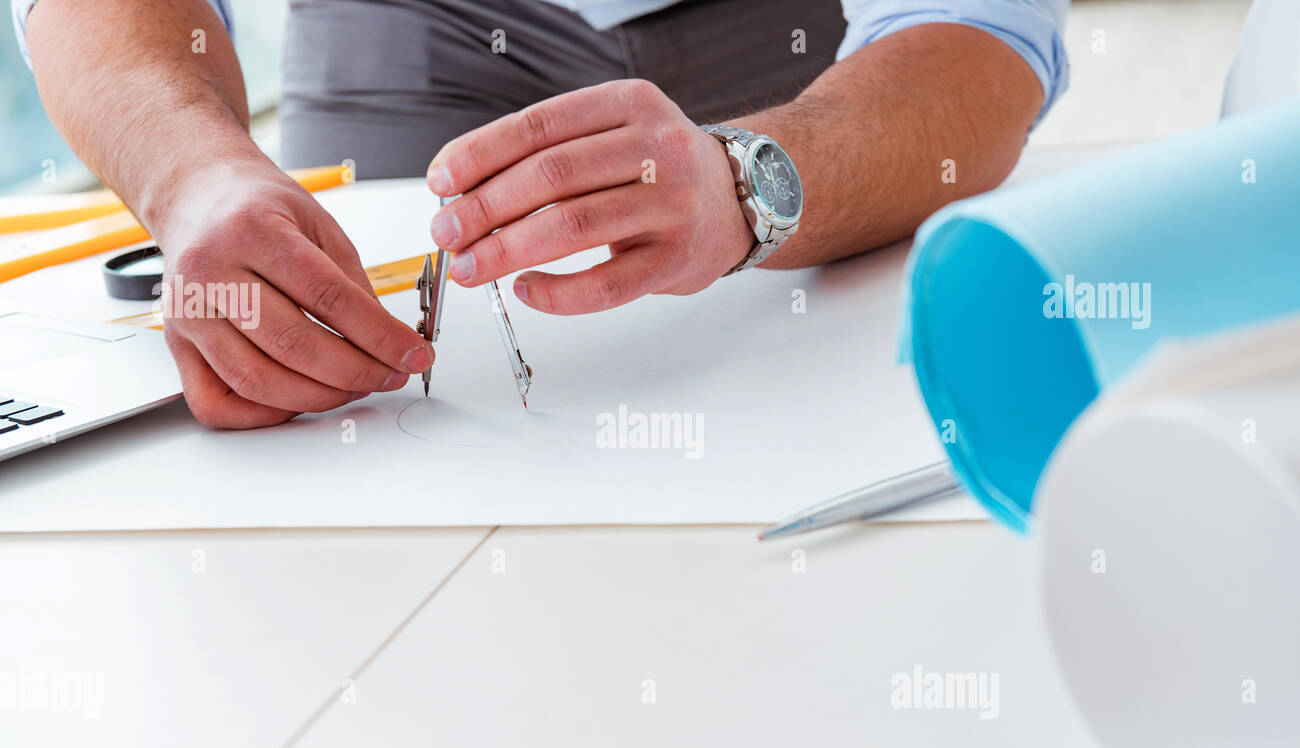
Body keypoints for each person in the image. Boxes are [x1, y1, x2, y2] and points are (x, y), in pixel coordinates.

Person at [15, 0, 1067, 428]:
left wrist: (751, 181)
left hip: (804, 42)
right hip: (407, 32)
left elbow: (981, 36)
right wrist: (191, 174)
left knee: (809, 400)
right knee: (372, 426)